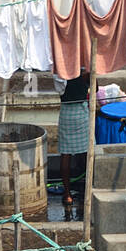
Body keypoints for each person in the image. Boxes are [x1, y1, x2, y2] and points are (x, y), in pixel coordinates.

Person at [56, 72, 91, 207]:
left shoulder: (61, 72)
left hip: (66, 112)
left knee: (65, 154)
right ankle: (88, 188)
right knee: (86, 152)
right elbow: (96, 89)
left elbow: (59, 89)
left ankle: (67, 194)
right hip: (81, 112)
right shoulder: (85, 72)